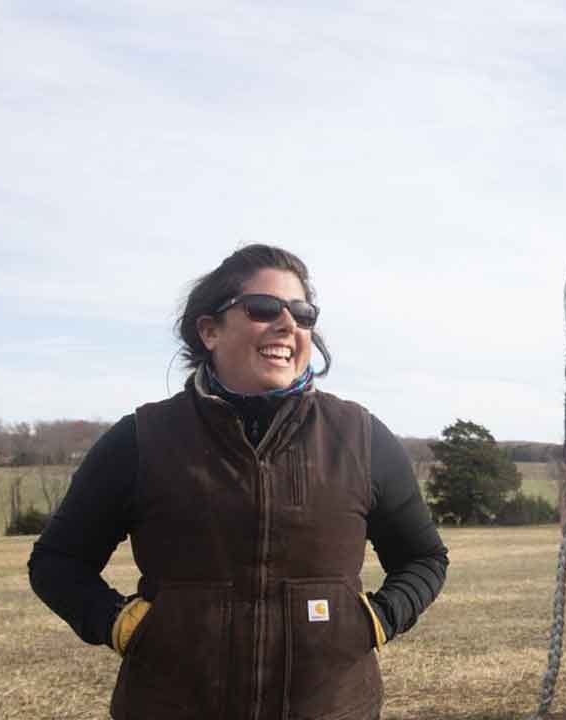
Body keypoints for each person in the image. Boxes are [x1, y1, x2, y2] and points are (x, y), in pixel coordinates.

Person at [29, 244, 448, 720]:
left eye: (303, 313)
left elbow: (424, 558)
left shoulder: (360, 437)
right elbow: (57, 562)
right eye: (264, 308)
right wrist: (122, 625)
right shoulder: (142, 439)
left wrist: (373, 620)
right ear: (209, 330)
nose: (288, 325)